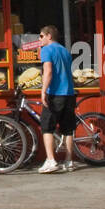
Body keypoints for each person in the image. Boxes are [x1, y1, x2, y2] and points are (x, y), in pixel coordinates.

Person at [37, 26, 77, 173]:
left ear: (49, 36)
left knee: (47, 127)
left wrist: (43, 91)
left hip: (55, 94)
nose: (39, 39)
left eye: (41, 36)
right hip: (69, 93)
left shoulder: (46, 50)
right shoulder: (65, 50)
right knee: (68, 129)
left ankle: (51, 160)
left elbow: (48, 71)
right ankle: (69, 161)